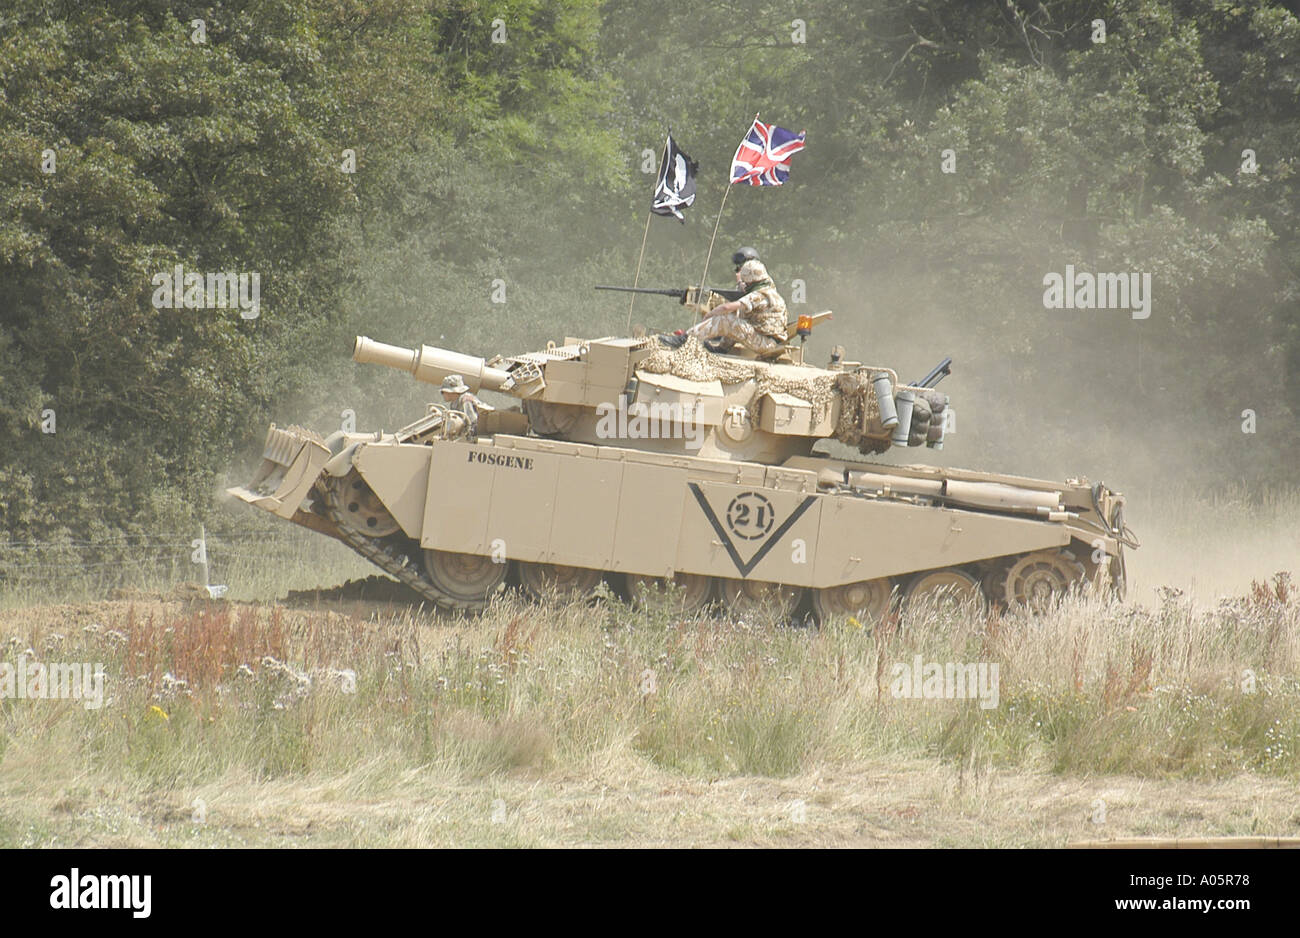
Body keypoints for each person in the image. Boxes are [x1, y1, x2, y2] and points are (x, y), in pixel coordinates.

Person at [661, 259, 788, 355]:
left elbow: (726, 308)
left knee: (725, 319)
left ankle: (685, 340)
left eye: (746, 282)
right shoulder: (769, 289)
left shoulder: (759, 295)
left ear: (750, 281)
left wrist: (710, 314)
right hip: (767, 341)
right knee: (736, 317)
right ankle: (722, 349)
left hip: (764, 343)